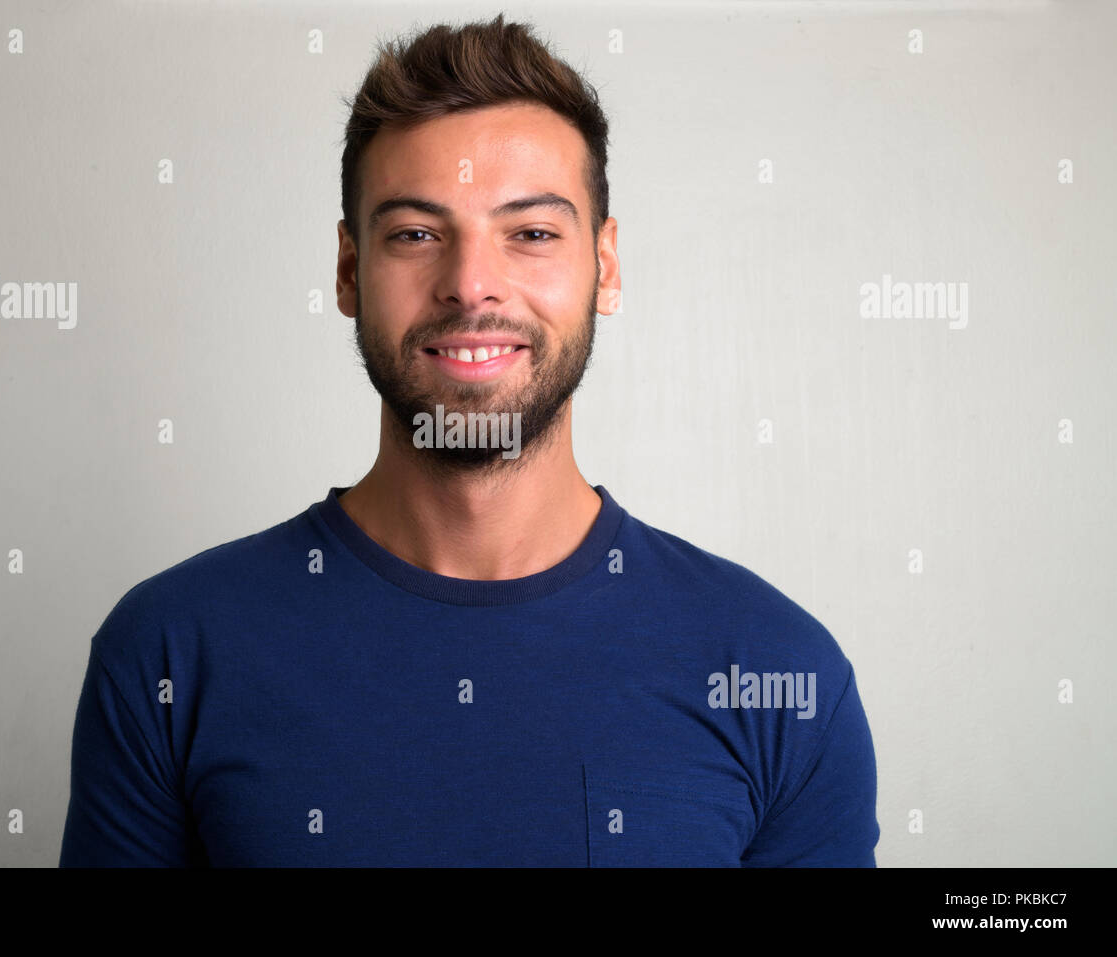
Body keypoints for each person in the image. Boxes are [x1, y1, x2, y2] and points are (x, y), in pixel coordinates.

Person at [59, 13, 879, 867]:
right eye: (416, 234)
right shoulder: (168, 654)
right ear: (348, 272)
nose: (471, 284)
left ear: (606, 264)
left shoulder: (779, 676)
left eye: (530, 232)